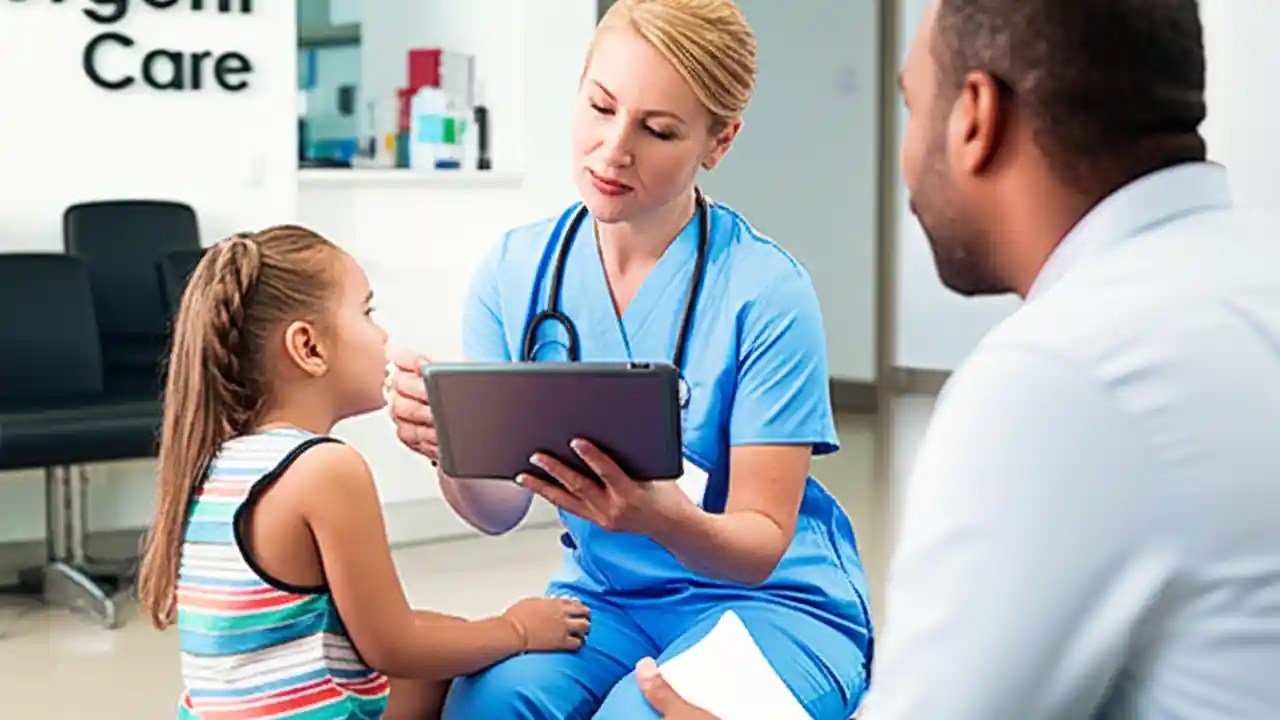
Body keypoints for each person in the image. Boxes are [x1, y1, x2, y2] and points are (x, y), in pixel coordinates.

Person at [637, 0, 1280, 717]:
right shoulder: (1253, 273)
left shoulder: (1061, 379)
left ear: (975, 117)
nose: (908, 159)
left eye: (913, 107)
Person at [386, 0, 874, 717]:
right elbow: (497, 510)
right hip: (606, 599)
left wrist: (659, 517)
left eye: (659, 130)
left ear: (720, 142)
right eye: (601, 106)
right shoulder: (516, 272)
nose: (613, 150)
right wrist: (447, 446)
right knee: (486, 707)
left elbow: (762, 544)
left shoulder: (767, 292)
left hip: (771, 606)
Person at [136, 227, 592, 720]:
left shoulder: (219, 460)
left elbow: (366, 638)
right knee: (473, 680)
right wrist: (515, 629)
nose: (382, 334)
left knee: (442, 667)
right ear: (308, 347)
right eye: (367, 312)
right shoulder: (325, 468)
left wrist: (463, 630)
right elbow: (393, 645)